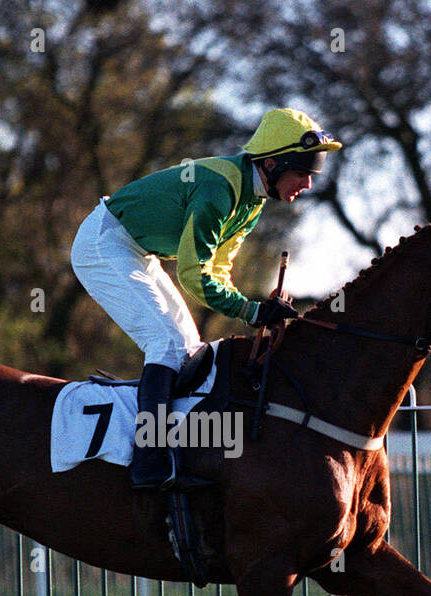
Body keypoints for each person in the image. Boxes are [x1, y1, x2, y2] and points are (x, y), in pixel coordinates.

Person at [70, 108, 341, 489]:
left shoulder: (252, 198)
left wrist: (258, 307)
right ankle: (149, 460)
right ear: (275, 163)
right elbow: (192, 273)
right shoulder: (219, 189)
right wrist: (252, 311)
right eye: (302, 173)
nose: (308, 184)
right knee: (164, 343)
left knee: (188, 348)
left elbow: (218, 268)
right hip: (103, 243)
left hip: (135, 250)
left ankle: (174, 445)